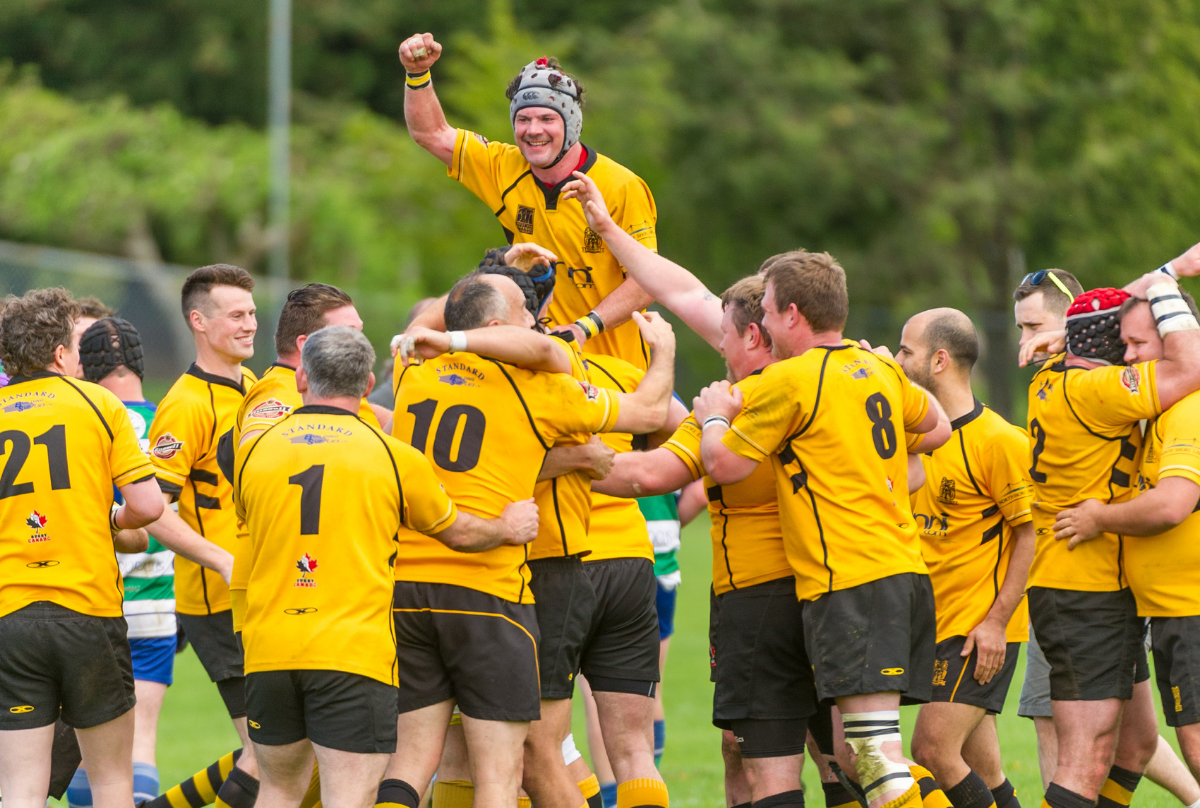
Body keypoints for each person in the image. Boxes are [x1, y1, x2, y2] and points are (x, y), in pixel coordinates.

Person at [381, 272, 675, 808]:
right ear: (498, 327)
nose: (537, 319)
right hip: (514, 578)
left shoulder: (412, 369)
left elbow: (433, 319)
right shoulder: (541, 384)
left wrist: (484, 277)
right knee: (525, 756)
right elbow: (655, 415)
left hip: (414, 582)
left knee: (432, 754)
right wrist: (665, 355)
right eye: (525, 310)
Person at [233, 325, 538, 808]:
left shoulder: (255, 452)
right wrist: (506, 526)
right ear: (368, 382)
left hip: (269, 649)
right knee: (350, 795)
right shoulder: (394, 457)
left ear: (301, 379)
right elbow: (457, 532)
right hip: (352, 652)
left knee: (277, 791)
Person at [694, 251, 951, 808]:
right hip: (904, 571)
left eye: (764, 309)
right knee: (871, 756)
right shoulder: (877, 368)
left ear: (791, 314)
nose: (758, 322)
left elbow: (724, 464)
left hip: (851, 582)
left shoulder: (789, 380)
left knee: (876, 761)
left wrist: (713, 416)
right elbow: (939, 427)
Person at [1010, 268, 1200, 807]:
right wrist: (1166, 287)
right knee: (1085, 759)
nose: (1138, 356)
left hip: (1103, 591)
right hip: (1081, 589)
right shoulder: (1096, 390)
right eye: (1131, 344)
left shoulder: (1058, 374)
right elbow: (1189, 364)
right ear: (1110, 350)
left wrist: (1165, 281)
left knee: (1136, 746)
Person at [398, 34, 658, 369]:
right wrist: (416, 73)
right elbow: (430, 133)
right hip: (539, 364)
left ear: (572, 122)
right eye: (523, 119)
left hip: (617, 368)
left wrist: (585, 327)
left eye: (547, 119)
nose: (533, 130)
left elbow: (648, 281)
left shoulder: (621, 185)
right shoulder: (503, 166)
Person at [0, 288, 163, 808]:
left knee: (20, 787)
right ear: (60, 354)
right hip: (87, 609)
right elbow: (148, 507)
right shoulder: (99, 403)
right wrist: (112, 519)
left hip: (11, 616)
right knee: (112, 780)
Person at [894, 309, 1034, 808]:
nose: (896, 359)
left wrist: (996, 623)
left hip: (976, 632)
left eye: (905, 350)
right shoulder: (910, 440)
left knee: (931, 748)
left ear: (938, 360)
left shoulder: (999, 441)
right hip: (929, 625)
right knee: (986, 770)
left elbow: (1030, 536)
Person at [145, 265, 260, 808]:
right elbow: (153, 512)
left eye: (253, 314)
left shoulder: (258, 389)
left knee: (283, 750)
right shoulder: (185, 406)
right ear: (199, 321)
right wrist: (221, 560)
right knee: (268, 755)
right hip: (218, 602)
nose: (250, 325)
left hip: (266, 594)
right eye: (236, 315)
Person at [64, 319, 177, 808]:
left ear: (84, 366)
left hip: (90, 602)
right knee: (140, 743)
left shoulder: (80, 419)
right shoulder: (168, 421)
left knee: (86, 756)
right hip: (157, 603)